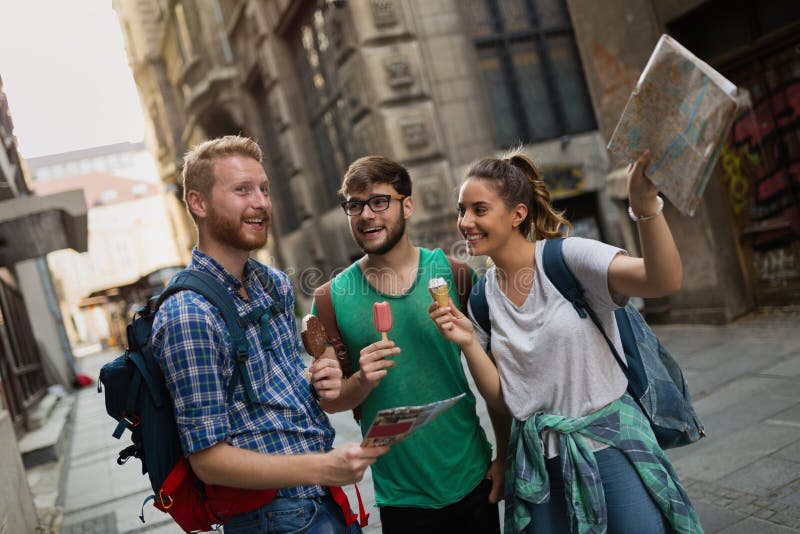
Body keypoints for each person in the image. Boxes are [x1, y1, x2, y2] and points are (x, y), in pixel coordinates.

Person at [429, 150, 703, 533]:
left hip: (610, 448)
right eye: (462, 211)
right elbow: (505, 401)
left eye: (479, 210)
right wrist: (467, 342)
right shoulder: (481, 300)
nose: (466, 222)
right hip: (540, 465)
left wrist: (645, 208)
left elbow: (662, 279)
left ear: (517, 214)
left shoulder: (567, 259)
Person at [151, 135, 387, 534]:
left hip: (320, 496)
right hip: (271, 516)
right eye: (242, 190)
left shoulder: (271, 283)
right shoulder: (188, 315)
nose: (260, 202)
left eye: (263, 189)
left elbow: (273, 392)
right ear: (199, 203)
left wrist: (320, 379)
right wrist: (320, 467)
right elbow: (207, 459)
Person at [311, 156, 510, 534]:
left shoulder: (456, 275)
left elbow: (496, 376)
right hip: (400, 495)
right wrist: (362, 382)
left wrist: (503, 456)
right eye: (355, 205)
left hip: (471, 473)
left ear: (408, 205)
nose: (366, 215)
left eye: (379, 201)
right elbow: (330, 399)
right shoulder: (329, 300)